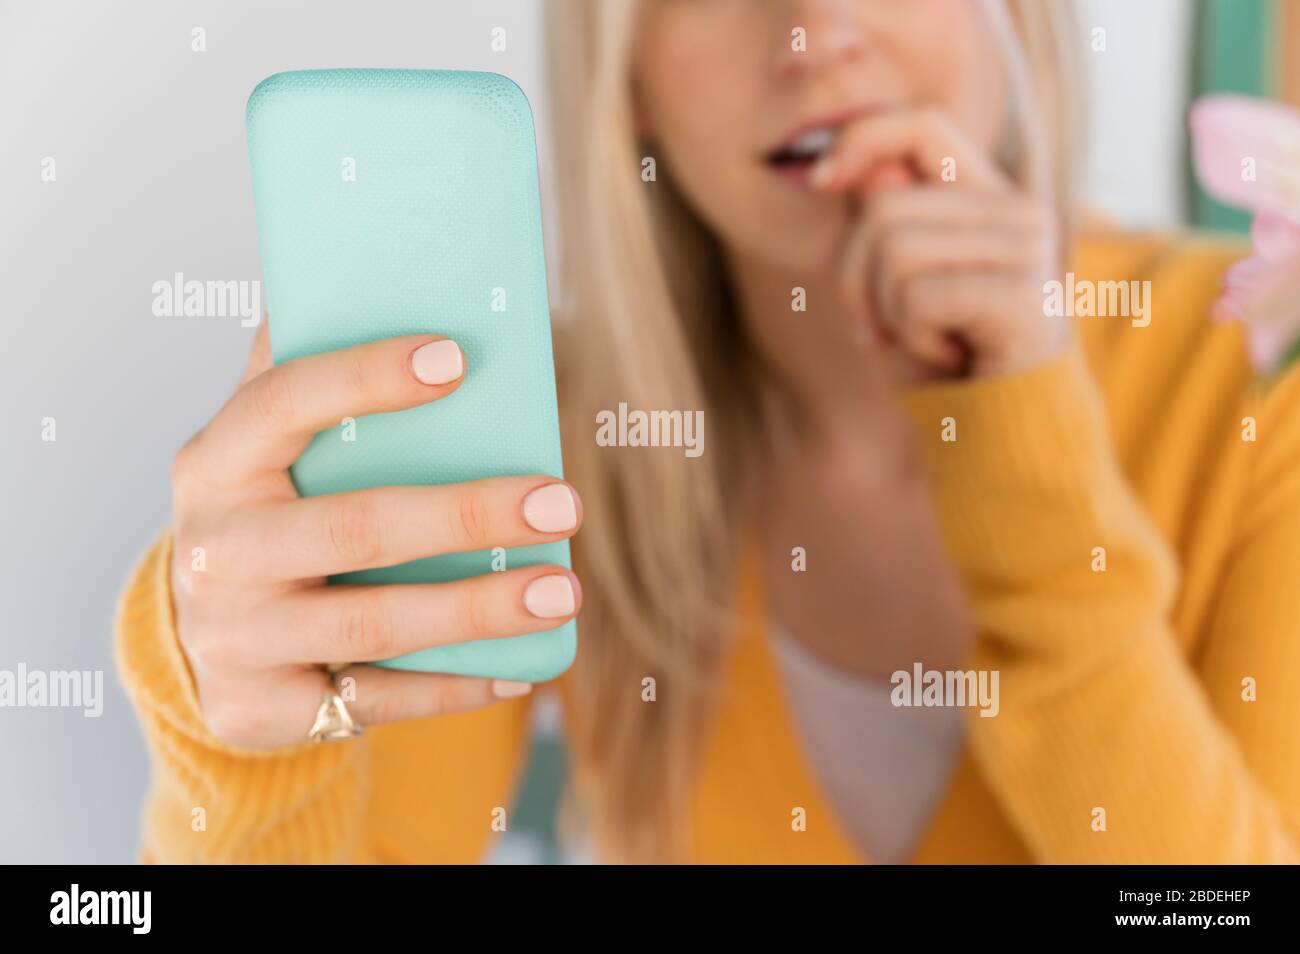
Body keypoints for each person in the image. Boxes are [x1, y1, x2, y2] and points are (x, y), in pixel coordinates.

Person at [117, 0, 1300, 863]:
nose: (811, 30)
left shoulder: (1261, 374)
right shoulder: (546, 440)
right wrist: (242, 722)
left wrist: (1028, 465)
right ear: (623, 77)